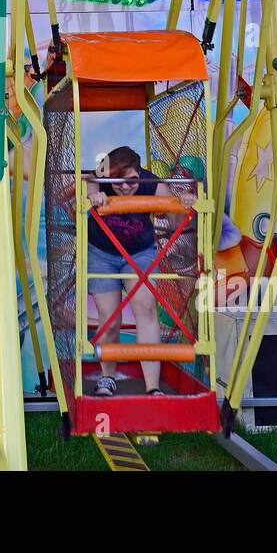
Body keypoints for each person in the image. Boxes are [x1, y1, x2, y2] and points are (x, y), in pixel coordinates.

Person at [83, 145, 178, 398]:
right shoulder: (100, 177)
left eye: (132, 181)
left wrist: (183, 204)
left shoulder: (150, 182)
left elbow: (175, 214)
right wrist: (93, 196)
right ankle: (107, 378)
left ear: (140, 173)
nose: (125, 187)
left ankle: (153, 386)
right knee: (110, 317)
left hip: (140, 253)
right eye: (119, 182)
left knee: (145, 309)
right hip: (102, 253)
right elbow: (88, 187)